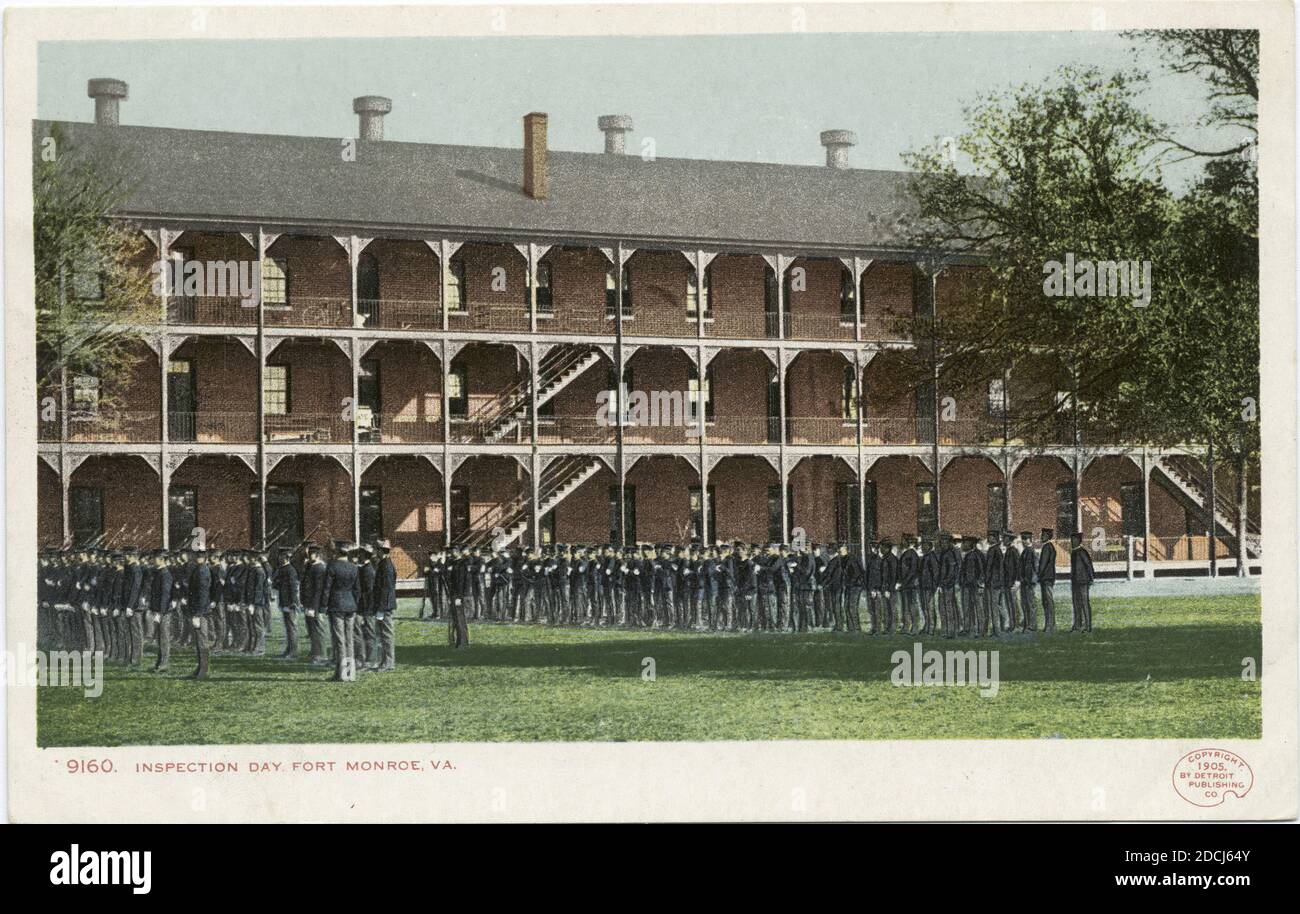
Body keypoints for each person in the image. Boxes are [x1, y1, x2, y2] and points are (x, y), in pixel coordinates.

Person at [321, 542, 362, 681]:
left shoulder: (332, 566)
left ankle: (342, 674)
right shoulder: (354, 568)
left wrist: (323, 606)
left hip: (336, 605)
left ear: (337, 552)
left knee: (340, 640)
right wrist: (354, 603)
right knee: (349, 639)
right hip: (350, 605)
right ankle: (350, 674)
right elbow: (357, 590)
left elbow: (326, 589)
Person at [372, 540, 398, 670]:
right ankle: (385, 661)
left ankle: (388, 663)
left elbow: (386, 589)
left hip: (385, 606)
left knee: (386, 635)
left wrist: (381, 608)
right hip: (384, 605)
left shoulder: (386, 566)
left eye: (377, 550)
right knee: (383, 634)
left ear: (381, 551)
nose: (376, 552)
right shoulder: (384, 564)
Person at [272, 548, 301, 659]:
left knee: (292, 627)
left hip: (290, 603)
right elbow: (276, 584)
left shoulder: (290, 570)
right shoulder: (282, 569)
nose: (280, 558)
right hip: (285, 601)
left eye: (282, 557)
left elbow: (294, 588)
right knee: (288, 628)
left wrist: (293, 603)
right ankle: (289, 650)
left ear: (286, 558)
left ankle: (293, 651)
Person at [1070, 532, 1094, 632]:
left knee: (1084, 603)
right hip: (1075, 582)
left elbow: (1089, 566)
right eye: (1071, 540)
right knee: (1076, 604)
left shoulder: (1082, 552)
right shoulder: (1074, 552)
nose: (1072, 542)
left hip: (1083, 582)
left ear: (1078, 541)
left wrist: (1091, 578)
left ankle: (1088, 627)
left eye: (1074, 540)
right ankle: (1077, 625)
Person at [1038, 528, 1058, 633]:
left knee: (1048, 602)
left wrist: (1038, 575)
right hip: (1048, 577)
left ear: (1047, 536)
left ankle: (1050, 625)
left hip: (1046, 578)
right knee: (1047, 602)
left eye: (1043, 535)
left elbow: (1043, 564)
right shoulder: (1050, 547)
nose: (1041, 536)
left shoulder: (1046, 547)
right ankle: (1049, 625)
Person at [1018, 531, 1039, 633]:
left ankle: (1032, 626)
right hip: (1024, 582)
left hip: (1029, 583)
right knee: (1025, 604)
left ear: (1029, 540)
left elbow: (1035, 568)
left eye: (1025, 539)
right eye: (1022, 539)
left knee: (1030, 604)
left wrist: (1032, 581)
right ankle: (1027, 624)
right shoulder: (1025, 551)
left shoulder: (1031, 552)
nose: (1023, 541)